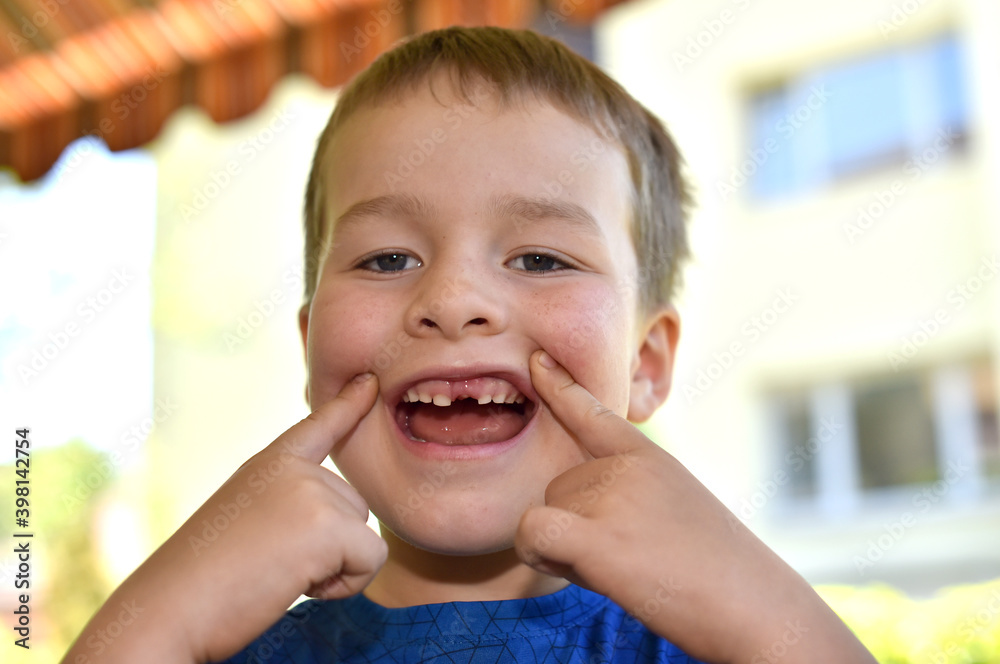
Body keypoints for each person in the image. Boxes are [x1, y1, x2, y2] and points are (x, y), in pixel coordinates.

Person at [62, 26, 876, 664]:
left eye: (540, 258)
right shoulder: (210, 644)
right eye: (387, 258)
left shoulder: (719, 641)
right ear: (314, 350)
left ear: (645, 362)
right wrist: (148, 624)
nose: (452, 302)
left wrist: (778, 619)